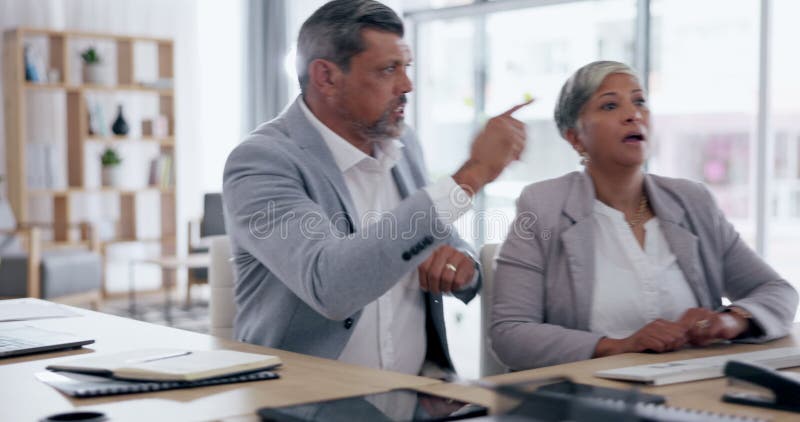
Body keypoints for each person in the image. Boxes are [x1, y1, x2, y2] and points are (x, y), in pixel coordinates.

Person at [223, 0, 530, 376]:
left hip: (420, 396)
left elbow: (437, 235)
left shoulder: (403, 144)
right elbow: (330, 285)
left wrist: (463, 265)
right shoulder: (262, 161)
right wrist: (470, 176)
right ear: (327, 77)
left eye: (406, 67)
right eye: (388, 70)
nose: (407, 85)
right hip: (304, 402)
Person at [490, 60, 798, 370]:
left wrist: (731, 321)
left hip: (693, 390)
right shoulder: (543, 205)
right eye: (610, 105)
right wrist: (619, 346)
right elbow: (511, 333)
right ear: (575, 137)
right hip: (589, 398)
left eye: (639, 102)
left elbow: (777, 292)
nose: (632, 114)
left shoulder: (693, 201)